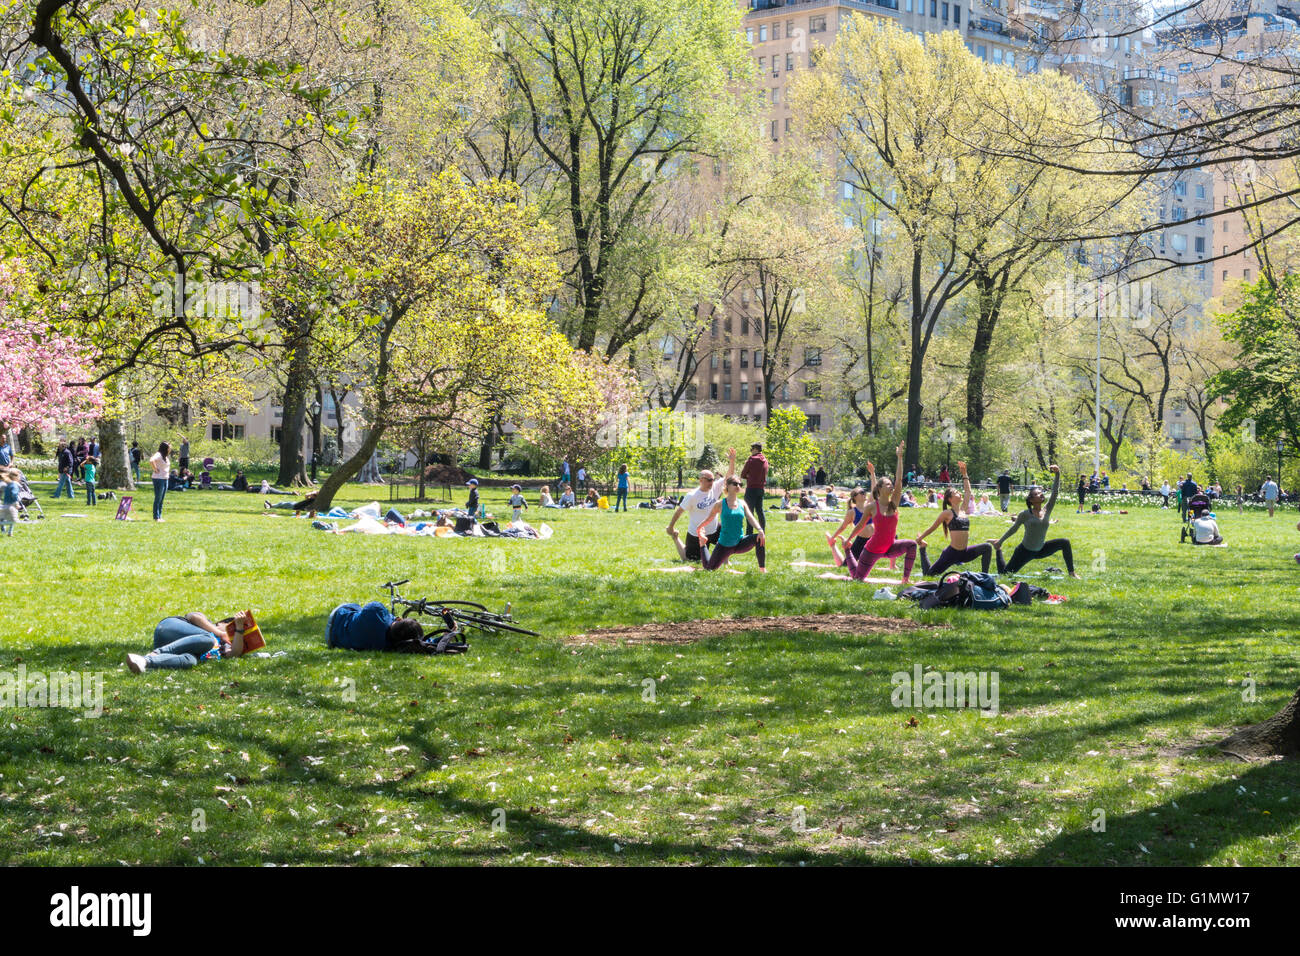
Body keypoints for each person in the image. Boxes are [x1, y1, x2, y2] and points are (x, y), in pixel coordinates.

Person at [830, 442, 917, 585]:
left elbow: (899, 480)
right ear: (880, 488)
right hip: (872, 549)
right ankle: (847, 551)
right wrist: (848, 540)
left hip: (890, 547)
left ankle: (905, 579)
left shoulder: (893, 504)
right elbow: (860, 525)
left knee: (912, 545)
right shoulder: (872, 507)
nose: (891, 486)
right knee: (857, 578)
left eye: (891, 484)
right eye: (887, 484)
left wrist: (900, 457)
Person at [990, 464, 1078, 578]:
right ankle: (998, 549)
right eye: (1037, 494)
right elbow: (1014, 529)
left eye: (1040, 492)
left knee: (1064, 542)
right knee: (1004, 575)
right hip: (1024, 551)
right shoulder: (1025, 514)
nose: (1040, 494)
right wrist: (1000, 541)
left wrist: (1057, 473)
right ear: (1031, 500)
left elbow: (1055, 492)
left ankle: (1072, 573)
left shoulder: (1047, 510)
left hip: (1041, 549)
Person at [916, 461, 994, 576]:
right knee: (929, 574)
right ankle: (923, 548)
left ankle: (984, 577)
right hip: (952, 553)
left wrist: (965, 474)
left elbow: (968, 491)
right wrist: (920, 538)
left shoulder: (963, 509)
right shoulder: (947, 513)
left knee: (987, 547)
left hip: (965, 552)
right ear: (950, 499)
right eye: (957, 493)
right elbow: (932, 528)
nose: (960, 493)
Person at [667, 449, 735, 563]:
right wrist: (671, 527)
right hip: (697, 533)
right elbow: (679, 511)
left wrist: (732, 462)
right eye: (709, 480)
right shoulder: (692, 496)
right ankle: (675, 538)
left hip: (713, 528)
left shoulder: (715, 487)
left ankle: (725, 561)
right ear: (701, 480)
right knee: (689, 559)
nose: (712, 482)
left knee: (727, 537)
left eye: (713, 480)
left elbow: (729, 478)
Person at [126, 611, 250, 672]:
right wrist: (220, 633)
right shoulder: (209, 627)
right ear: (221, 623)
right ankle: (157, 653)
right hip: (168, 628)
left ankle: (145, 661)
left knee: (190, 661)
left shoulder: (223, 648)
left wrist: (240, 628)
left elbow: (234, 653)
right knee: (208, 639)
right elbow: (192, 616)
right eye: (231, 627)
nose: (232, 634)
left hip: (172, 648)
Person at [697, 474, 767, 572]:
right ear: (727, 486)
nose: (738, 486)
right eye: (735, 484)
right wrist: (699, 527)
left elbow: (750, 518)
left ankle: (762, 570)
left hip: (739, 543)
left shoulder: (742, 503)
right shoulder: (720, 504)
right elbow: (709, 518)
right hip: (724, 545)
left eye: (740, 484)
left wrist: (760, 530)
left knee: (760, 538)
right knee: (709, 569)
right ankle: (702, 544)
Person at [325, 601, 424, 651]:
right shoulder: (388, 647)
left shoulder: (376, 611)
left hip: (338, 618)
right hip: (334, 641)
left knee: (359, 610)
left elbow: (372, 605)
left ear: (399, 620)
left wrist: (390, 618)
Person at [741, 443, 769, 546]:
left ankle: (749, 534)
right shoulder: (765, 460)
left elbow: (743, 474)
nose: (751, 451)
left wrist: (749, 476)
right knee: (760, 511)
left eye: (751, 449)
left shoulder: (751, 460)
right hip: (761, 489)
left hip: (751, 488)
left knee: (749, 511)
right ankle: (762, 532)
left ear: (755, 449)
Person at [149, 441, 171, 521]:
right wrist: (155, 469)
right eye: (169, 447)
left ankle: (160, 516)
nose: (170, 449)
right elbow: (151, 460)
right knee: (158, 498)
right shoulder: (158, 454)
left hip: (165, 478)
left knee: (161, 499)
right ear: (165, 448)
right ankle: (156, 517)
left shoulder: (165, 456)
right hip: (158, 479)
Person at [0, 468, 21, 536]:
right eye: (19, 476)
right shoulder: (15, 485)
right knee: (13, 520)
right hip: (11, 505)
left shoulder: (7, 484)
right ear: (15, 477)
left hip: (5, 504)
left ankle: (8, 531)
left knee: (4, 518)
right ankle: (10, 532)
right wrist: (16, 503)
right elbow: (14, 494)